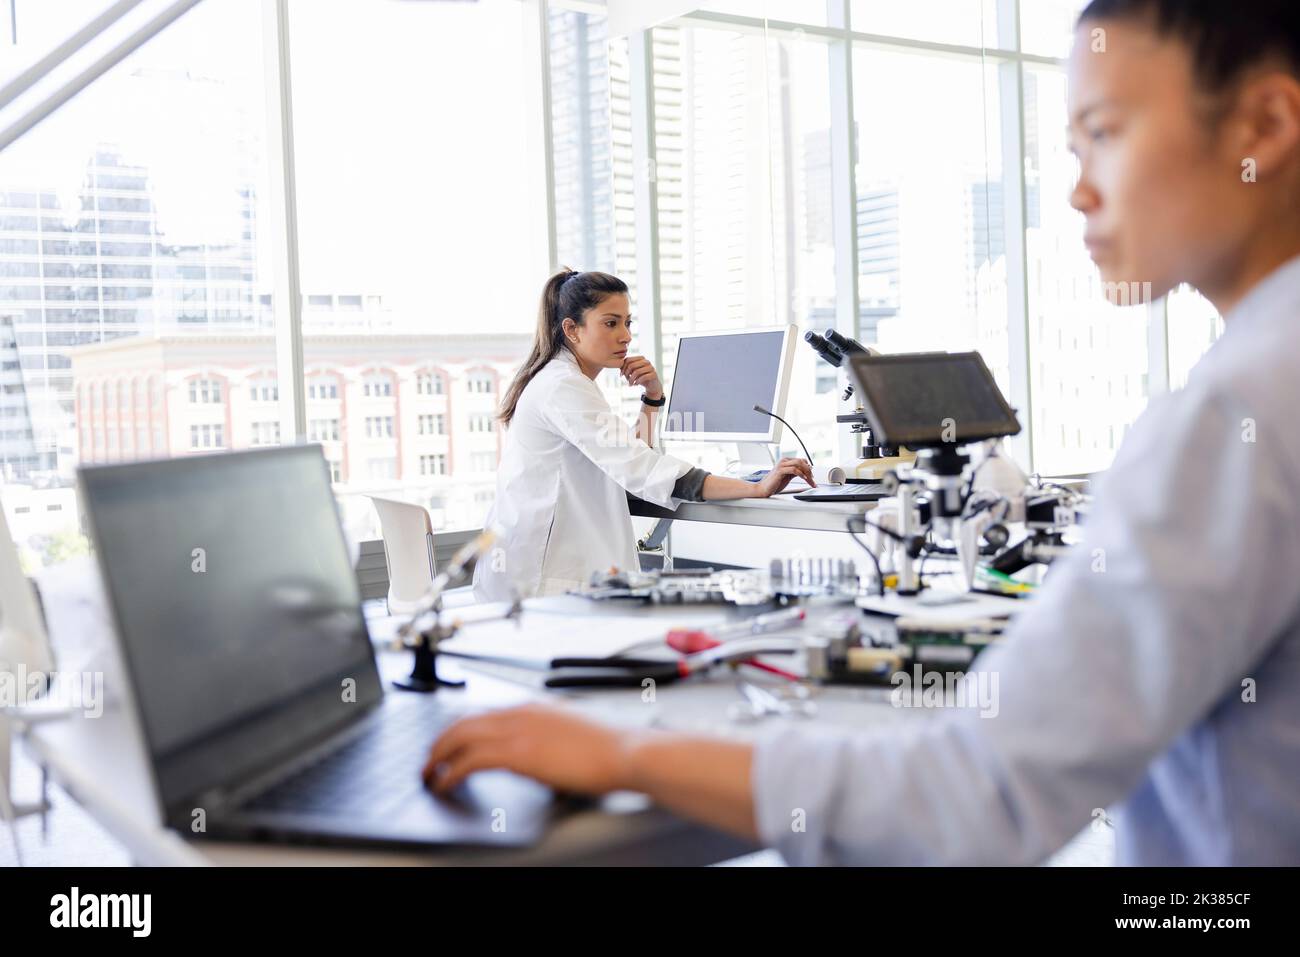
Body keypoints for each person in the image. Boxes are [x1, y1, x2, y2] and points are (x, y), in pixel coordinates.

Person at [430, 0, 1300, 865]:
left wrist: (624, 753)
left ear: (1265, 122)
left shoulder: (1237, 413)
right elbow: (643, 472)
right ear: (576, 328)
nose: (1077, 190)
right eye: (1072, 151)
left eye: (1104, 134)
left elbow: (969, 796)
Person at [473, 269, 814, 602]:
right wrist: (756, 488)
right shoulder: (563, 386)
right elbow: (641, 467)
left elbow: (632, 455)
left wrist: (652, 397)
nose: (625, 335)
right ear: (572, 329)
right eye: (611, 323)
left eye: (627, 322)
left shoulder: (565, 380)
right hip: (541, 575)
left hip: (543, 567)